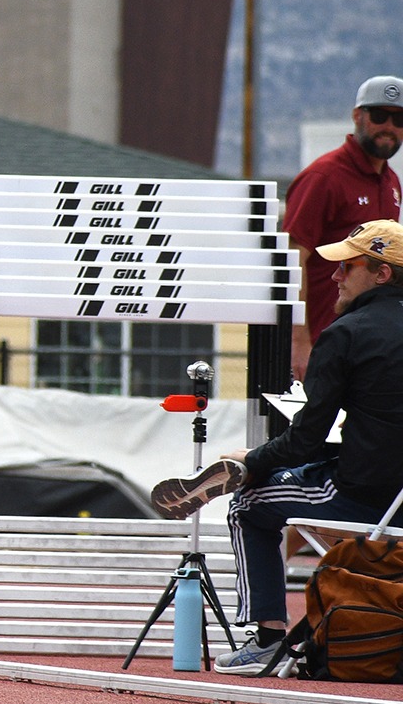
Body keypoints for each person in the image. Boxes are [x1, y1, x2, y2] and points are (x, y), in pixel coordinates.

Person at [150, 219, 403, 675]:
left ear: (381, 273)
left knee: (249, 504)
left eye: (348, 266)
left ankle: (266, 640)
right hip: (393, 491)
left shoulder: (347, 333)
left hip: (368, 496)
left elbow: (306, 438)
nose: (334, 276)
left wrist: (254, 459)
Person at [281, 75, 403, 381]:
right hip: (324, 341)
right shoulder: (324, 177)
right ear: (357, 116)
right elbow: (292, 259)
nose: (389, 127)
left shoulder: (391, 183)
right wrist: (299, 341)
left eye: (399, 119)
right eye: (379, 116)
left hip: (369, 347)